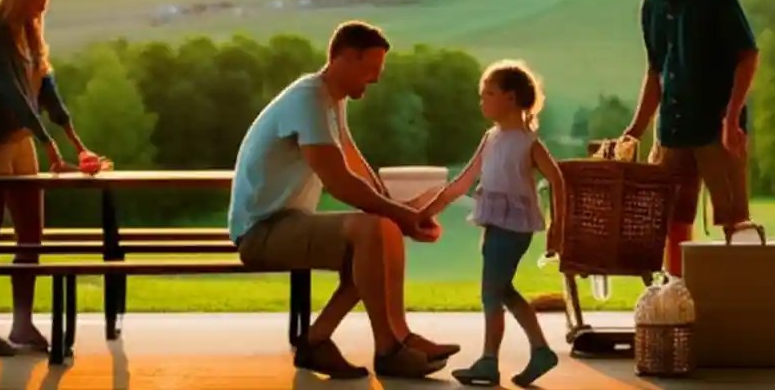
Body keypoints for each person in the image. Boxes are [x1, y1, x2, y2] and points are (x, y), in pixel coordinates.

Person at [228, 21, 460, 380]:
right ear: (347, 58)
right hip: (261, 231)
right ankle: (389, 350)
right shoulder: (308, 99)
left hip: (288, 222)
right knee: (372, 231)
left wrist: (395, 211)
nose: (377, 78)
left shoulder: (331, 98)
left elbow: (350, 157)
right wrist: (401, 214)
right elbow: (338, 180)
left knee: (383, 232)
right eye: (372, 68)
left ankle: (357, 339)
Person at [0, 0, 101, 356]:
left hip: (22, 143)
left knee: (31, 237)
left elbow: (47, 91)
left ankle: (22, 324)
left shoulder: (32, 34)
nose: (42, 8)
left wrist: (78, 144)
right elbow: (12, 93)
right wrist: (48, 143)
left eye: (46, 1)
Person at [617, 0, 760, 277]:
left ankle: (741, 295)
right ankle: (678, 292)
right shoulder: (650, 6)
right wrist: (635, 131)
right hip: (672, 133)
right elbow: (655, 72)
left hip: (716, 129)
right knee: (672, 219)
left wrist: (732, 117)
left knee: (734, 220)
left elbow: (747, 56)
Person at [420, 60, 565, 388]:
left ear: (510, 98)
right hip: (493, 224)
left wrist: (557, 225)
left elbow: (558, 180)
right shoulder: (491, 138)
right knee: (504, 291)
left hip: (514, 228)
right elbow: (461, 183)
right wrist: (426, 212)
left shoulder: (528, 143)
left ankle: (489, 362)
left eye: (488, 93)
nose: (482, 100)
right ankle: (541, 351)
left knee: (491, 293)